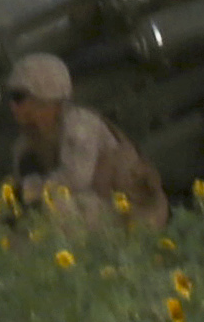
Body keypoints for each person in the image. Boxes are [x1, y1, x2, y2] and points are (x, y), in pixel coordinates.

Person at [9, 52, 164, 222]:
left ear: (44, 96)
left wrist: (29, 190)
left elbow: (76, 179)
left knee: (60, 207)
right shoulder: (26, 142)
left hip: (134, 210)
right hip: (102, 207)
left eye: (19, 97)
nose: (12, 106)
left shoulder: (79, 125)